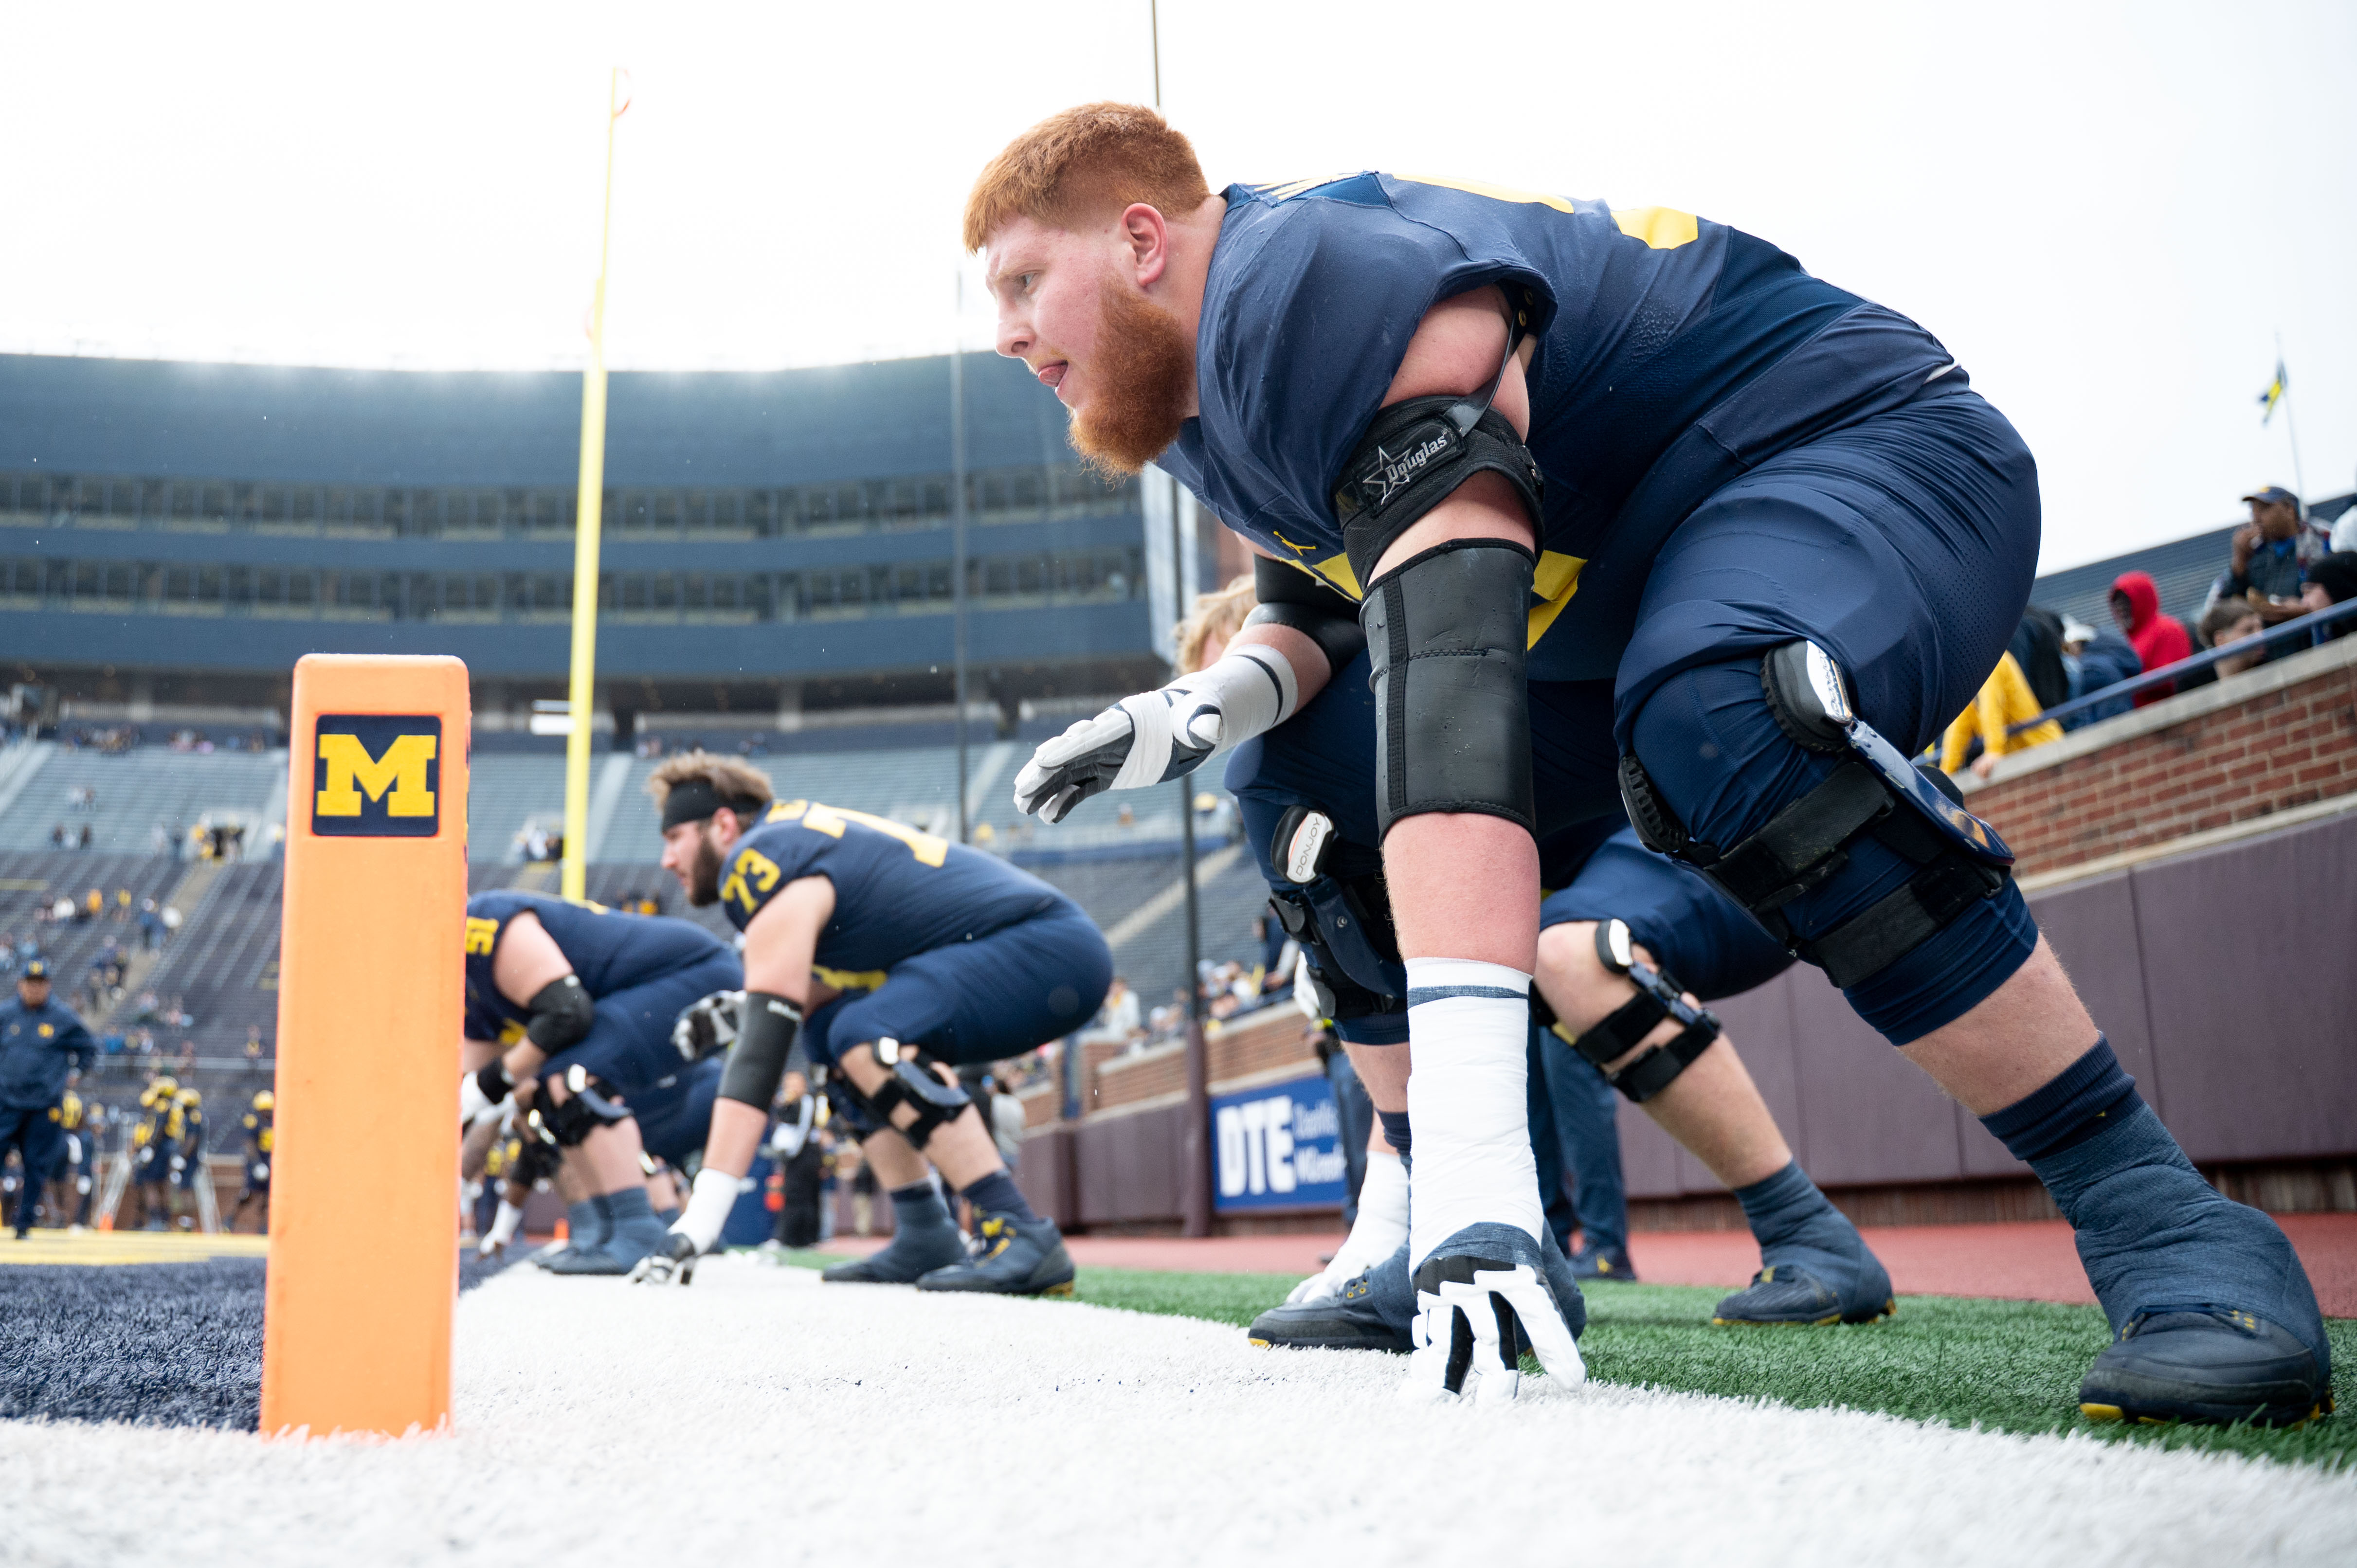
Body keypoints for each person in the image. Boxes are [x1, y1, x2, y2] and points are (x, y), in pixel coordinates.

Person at [983, 104, 2327, 1422]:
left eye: (1025, 281)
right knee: (1299, 791)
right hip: (1616, 601)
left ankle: (2159, 1213)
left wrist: (1488, 1165)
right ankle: (1414, 1206)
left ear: (1142, 241)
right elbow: (1322, 612)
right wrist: (1191, 713)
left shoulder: (1307, 288)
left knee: (1721, 712)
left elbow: (1449, 688)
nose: (1004, 332)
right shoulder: (1201, 384)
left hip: (1847, 452)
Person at [630, 751, 1110, 1295]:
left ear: (722, 825)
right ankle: (925, 1230)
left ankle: (1017, 1227)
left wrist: (701, 1217)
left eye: (675, 838)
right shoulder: (795, 836)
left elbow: (763, 1048)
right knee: (830, 1031)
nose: (666, 859)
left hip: (1044, 947)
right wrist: (744, 1008)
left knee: (865, 1035)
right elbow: (809, 996)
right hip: (1030, 948)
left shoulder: (760, 855)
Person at [459, 889, 742, 1274]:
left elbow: (567, 1012)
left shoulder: (480, 924)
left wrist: (493, 1082)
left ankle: (637, 1227)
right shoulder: (471, 991)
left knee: (575, 1077)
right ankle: (602, 1229)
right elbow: (475, 1109)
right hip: (635, 998)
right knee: (545, 1098)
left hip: (698, 974)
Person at [0, 959, 95, 1239]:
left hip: (44, 1106)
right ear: (20, 985)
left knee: (36, 1165)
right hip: (6, 1101)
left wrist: (76, 1073)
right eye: (30, 983)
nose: (34, 988)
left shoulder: (63, 1018)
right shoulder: (5, 1014)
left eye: (40, 983)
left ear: (49, 986)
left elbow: (89, 1049)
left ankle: (24, 1223)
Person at [2211, 486, 2328, 624]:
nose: (2256, 518)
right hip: (2270, 636)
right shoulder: (2254, 553)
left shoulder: (2322, 538)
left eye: (2264, 509)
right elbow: (2219, 608)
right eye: (2253, 511)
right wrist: (2239, 562)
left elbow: (2339, 589)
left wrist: (2307, 609)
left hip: (2315, 631)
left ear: (2289, 510)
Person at [1939, 651, 2064, 780]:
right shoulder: (1968, 677)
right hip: (2022, 758)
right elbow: (1960, 725)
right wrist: (1947, 771)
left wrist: (1994, 751)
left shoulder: (1991, 660)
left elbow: (1991, 705)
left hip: (2044, 749)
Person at [2111, 571, 2194, 707]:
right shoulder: (2132, 640)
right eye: (2117, 604)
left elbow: (2171, 678)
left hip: (2169, 710)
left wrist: (2129, 681)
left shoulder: (2167, 629)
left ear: (2142, 599)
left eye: (2126, 602)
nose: (2121, 609)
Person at [228, 1089, 273, 1234]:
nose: (267, 1112)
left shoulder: (275, 1122)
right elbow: (249, 1144)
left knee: (269, 1197)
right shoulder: (253, 1121)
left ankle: (264, 1227)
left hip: (270, 1162)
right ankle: (230, 1220)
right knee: (249, 1194)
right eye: (265, 1109)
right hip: (256, 1163)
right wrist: (257, 1164)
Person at [2197, 601, 2268, 679]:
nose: (2260, 636)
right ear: (2220, 641)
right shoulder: (2198, 680)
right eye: (2249, 630)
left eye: (2261, 628)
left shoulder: (2272, 666)